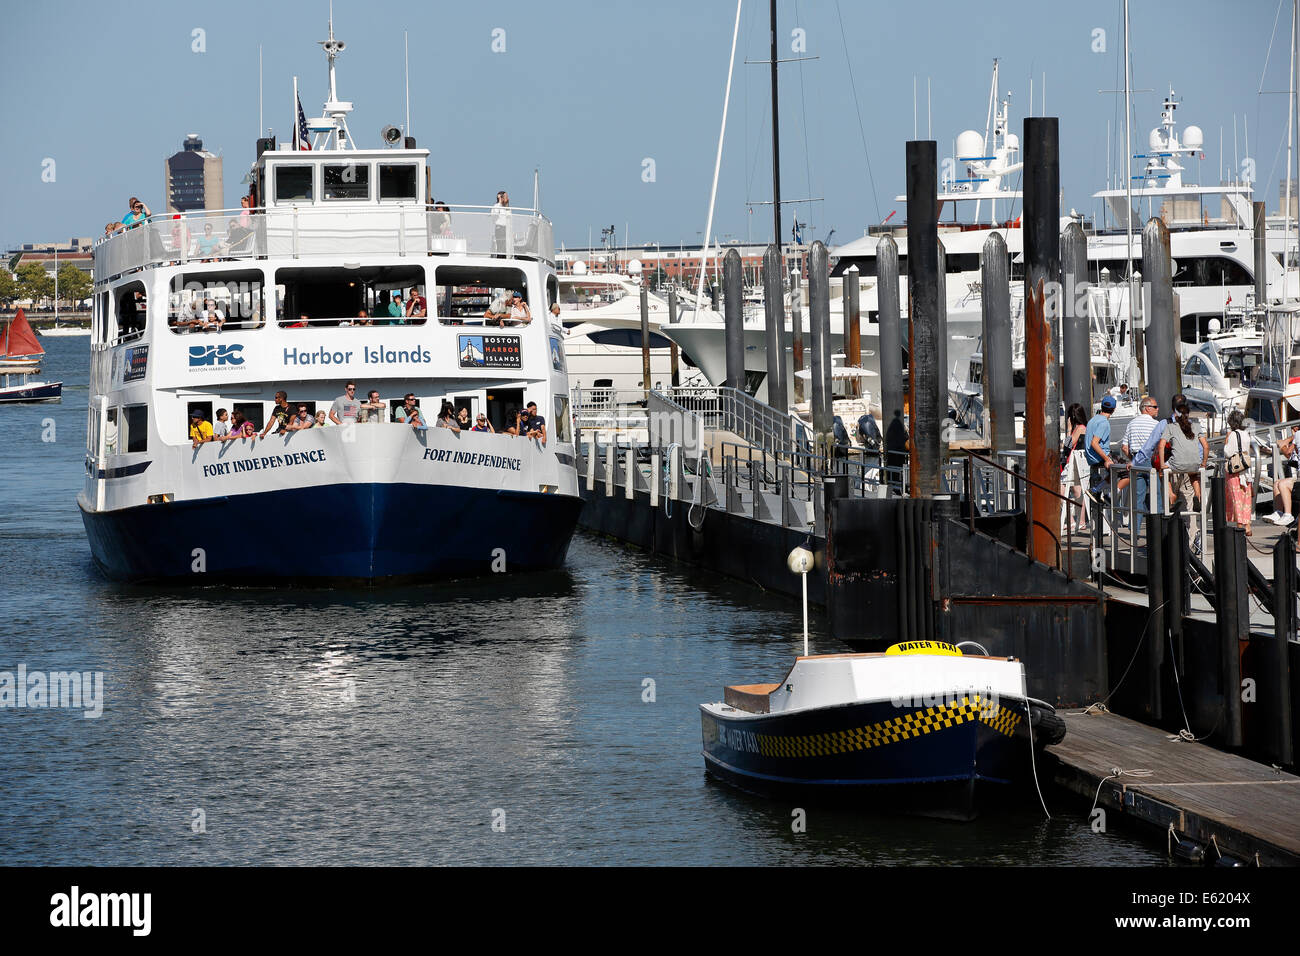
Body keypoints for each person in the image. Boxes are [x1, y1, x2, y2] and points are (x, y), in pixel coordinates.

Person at [1161, 396, 1209, 539]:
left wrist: (1163, 464)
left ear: (1175, 413)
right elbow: (1206, 446)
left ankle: (1171, 495)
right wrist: (1204, 463)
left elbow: (1161, 445)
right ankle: (1198, 496)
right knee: (1194, 474)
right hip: (1194, 464)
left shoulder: (1169, 426)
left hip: (1176, 465)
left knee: (1161, 473)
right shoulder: (1196, 426)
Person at [1122, 396, 1166, 543]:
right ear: (1147, 408)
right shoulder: (1156, 425)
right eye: (1155, 407)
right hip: (1151, 461)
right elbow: (1160, 445)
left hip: (1136, 463)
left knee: (1137, 498)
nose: (1157, 409)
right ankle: (1158, 531)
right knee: (1156, 496)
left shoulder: (1131, 423)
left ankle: (1134, 532)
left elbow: (1124, 447)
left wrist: (1133, 459)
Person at [1223, 409, 1255, 535]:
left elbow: (1228, 452)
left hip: (1235, 469)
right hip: (1246, 470)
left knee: (1236, 497)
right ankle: (1248, 525)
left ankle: (1240, 524)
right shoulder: (1246, 434)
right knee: (1246, 498)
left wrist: (1226, 441)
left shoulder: (1232, 435)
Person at [1060, 403, 1089, 533]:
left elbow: (1068, 444)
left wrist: (1068, 428)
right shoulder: (1083, 427)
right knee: (1078, 493)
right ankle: (1079, 521)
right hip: (1077, 463)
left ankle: (1074, 521)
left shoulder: (1079, 428)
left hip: (1075, 463)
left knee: (1061, 490)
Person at [1266, 424, 1300, 526]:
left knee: (1282, 484)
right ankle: (1279, 512)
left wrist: (1283, 444)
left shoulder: (1297, 435)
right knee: (1277, 483)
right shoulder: (1297, 435)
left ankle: (1288, 514)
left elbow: (1288, 453)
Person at [1085, 395, 1117, 501]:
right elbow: (1094, 443)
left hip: (1091, 457)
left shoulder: (1093, 420)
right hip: (1098, 458)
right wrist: (1107, 459)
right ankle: (1097, 490)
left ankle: (1103, 491)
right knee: (1124, 471)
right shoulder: (1104, 423)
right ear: (1113, 410)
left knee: (1118, 463)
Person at [491, 190, 511, 255]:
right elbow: (495, 214)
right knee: (500, 247)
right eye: (505, 196)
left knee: (506, 247)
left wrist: (507, 205)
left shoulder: (507, 208)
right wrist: (500, 202)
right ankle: (500, 259)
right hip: (500, 228)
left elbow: (509, 218)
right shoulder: (496, 205)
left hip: (507, 229)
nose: (507, 198)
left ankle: (505, 259)